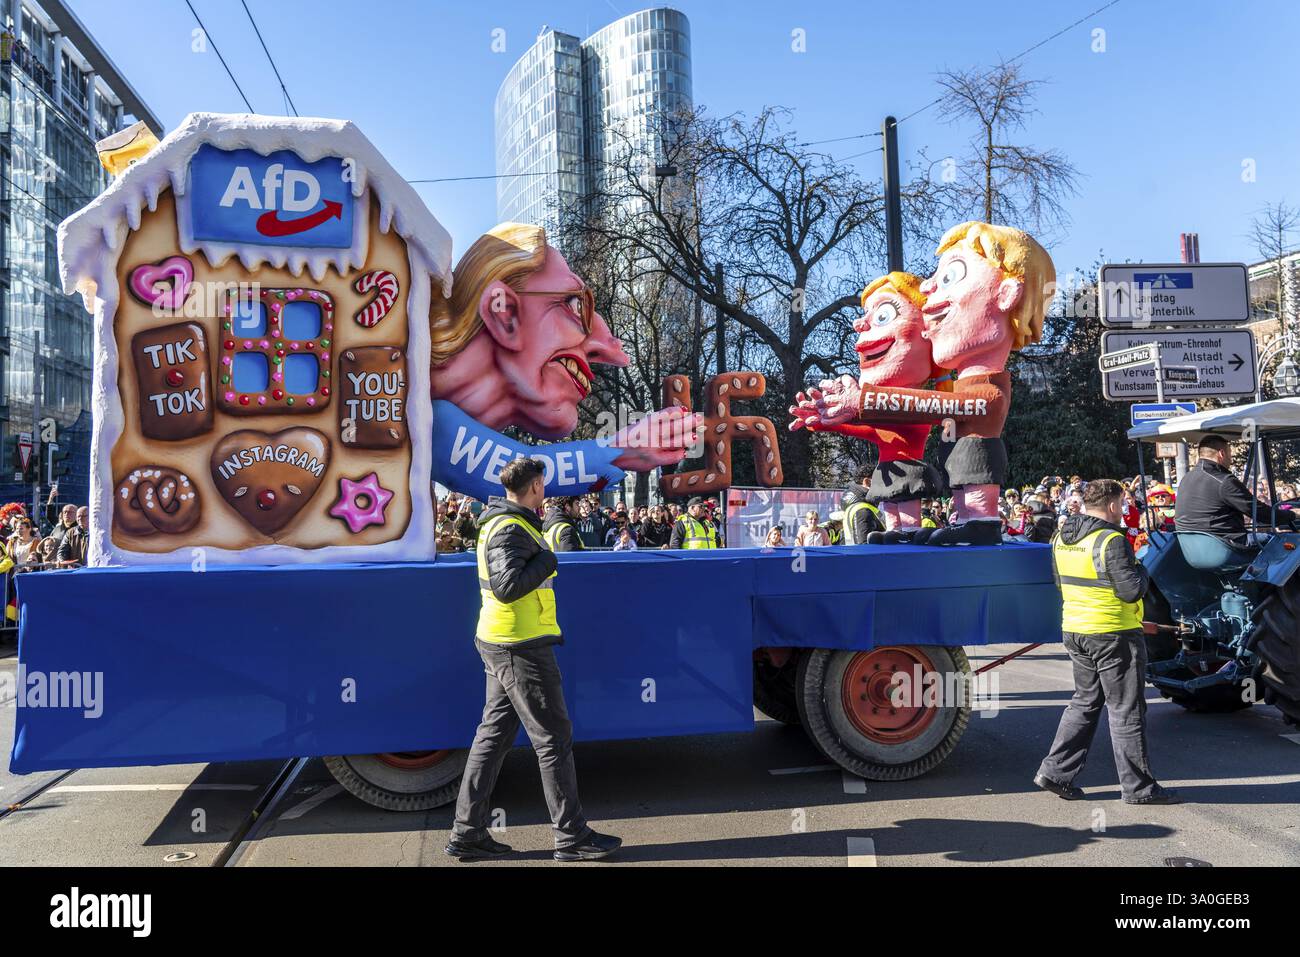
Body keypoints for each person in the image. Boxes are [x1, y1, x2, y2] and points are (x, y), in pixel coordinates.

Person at [446, 457, 621, 863]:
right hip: (520, 645)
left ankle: (467, 834)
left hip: (502, 640)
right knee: (552, 740)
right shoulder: (511, 527)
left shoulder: (500, 520)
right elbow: (508, 587)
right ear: (537, 486)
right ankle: (571, 837)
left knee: (492, 738)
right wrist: (548, 558)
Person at [1035, 479, 1178, 806]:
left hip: (1076, 629)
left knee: (1085, 701)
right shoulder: (1111, 540)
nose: (1124, 509)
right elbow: (1131, 590)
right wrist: (1141, 567)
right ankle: (1139, 789)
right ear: (1112, 505)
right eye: (1122, 503)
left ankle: (1055, 772)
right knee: (1126, 708)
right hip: (1114, 633)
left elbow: (1061, 584)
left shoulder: (1061, 539)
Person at [1175, 435, 1296, 545]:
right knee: (1285, 540)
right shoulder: (1224, 481)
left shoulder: (1186, 478)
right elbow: (1259, 513)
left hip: (1193, 548)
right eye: (1230, 453)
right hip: (1226, 546)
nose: (1231, 459)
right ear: (1222, 454)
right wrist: (1293, 514)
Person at [841, 465, 885, 545]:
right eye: (879, 481)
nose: (882, 485)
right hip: (869, 556)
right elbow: (863, 546)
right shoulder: (862, 511)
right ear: (867, 482)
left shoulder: (858, 506)